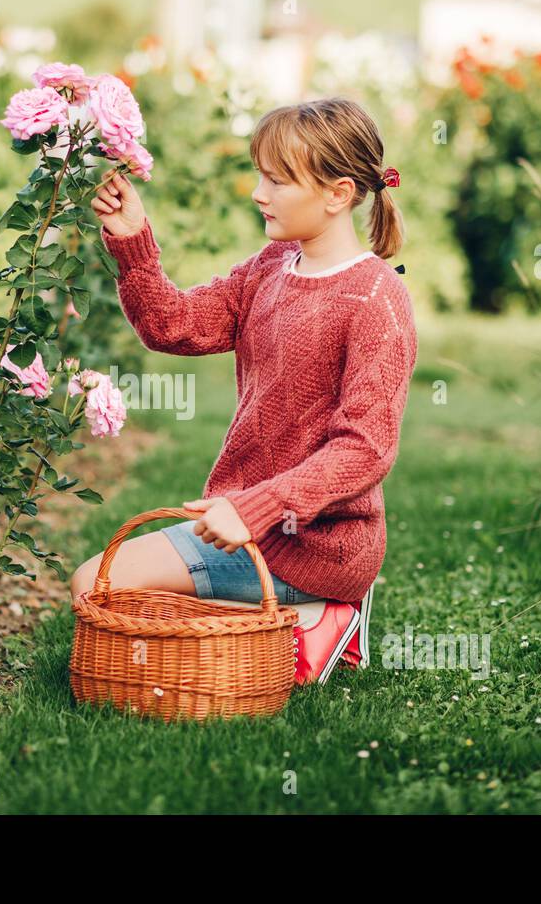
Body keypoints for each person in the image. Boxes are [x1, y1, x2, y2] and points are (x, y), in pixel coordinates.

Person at [70, 97, 417, 687]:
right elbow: (174, 325)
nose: (259, 192)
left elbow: (364, 449)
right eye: (261, 175)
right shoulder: (272, 266)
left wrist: (254, 509)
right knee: (100, 590)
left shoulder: (376, 301)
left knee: (92, 585)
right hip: (240, 523)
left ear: (337, 193)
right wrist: (132, 240)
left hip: (318, 546)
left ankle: (314, 612)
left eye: (278, 181)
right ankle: (297, 624)